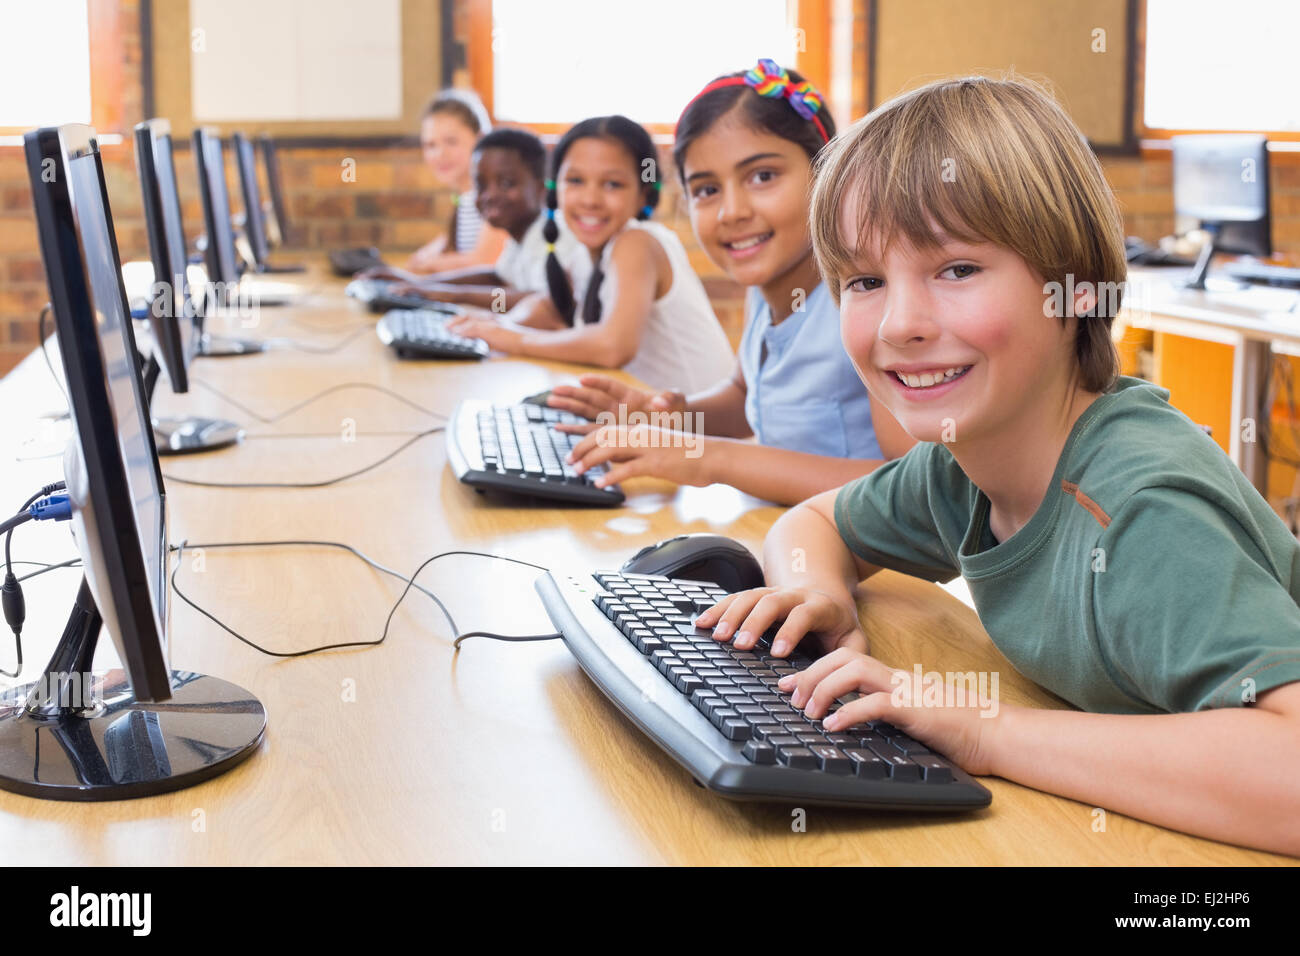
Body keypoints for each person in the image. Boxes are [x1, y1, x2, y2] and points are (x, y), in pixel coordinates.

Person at [696, 74, 1300, 855]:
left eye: (956, 270)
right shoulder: (961, 459)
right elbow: (817, 521)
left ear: (1074, 289)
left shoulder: (1142, 513)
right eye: (866, 282)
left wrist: (979, 729)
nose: (903, 324)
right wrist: (817, 593)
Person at [551, 60, 913, 505]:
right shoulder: (767, 287)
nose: (732, 212)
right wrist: (672, 417)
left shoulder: (867, 303)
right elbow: (746, 397)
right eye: (706, 190)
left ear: (826, 173)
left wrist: (710, 459)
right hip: (782, 532)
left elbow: (909, 488)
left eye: (763, 176)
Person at [446, 115, 734, 395]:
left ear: (643, 194)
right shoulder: (586, 255)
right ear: (554, 187)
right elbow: (548, 305)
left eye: (612, 184)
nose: (590, 199)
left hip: (702, 434)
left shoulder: (638, 242)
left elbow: (613, 346)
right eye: (575, 180)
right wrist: (502, 325)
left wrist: (512, 339)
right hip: (655, 425)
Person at [383, 128, 589, 311]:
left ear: (541, 188)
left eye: (507, 183)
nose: (489, 195)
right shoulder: (522, 234)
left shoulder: (553, 237)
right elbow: (497, 277)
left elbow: (545, 301)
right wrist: (424, 283)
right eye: (480, 185)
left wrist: (455, 296)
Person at [365, 89, 507, 278]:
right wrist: (424, 259)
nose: (440, 154)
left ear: (480, 140)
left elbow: (485, 263)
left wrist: (431, 264)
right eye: (431, 145)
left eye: (451, 141)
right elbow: (439, 250)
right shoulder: (463, 200)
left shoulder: (497, 197)